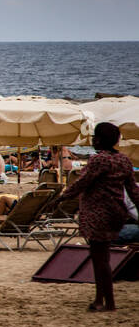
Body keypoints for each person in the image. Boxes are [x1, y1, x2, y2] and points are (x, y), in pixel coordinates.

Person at [60, 122, 139, 312]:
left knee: (99, 259)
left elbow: (83, 182)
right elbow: (133, 190)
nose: (93, 140)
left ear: (101, 139)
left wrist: (63, 197)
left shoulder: (99, 160)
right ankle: (103, 300)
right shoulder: (124, 160)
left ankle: (105, 301)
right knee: (103, 258)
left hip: (98, 213)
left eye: (95, 136)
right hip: (116, 213)